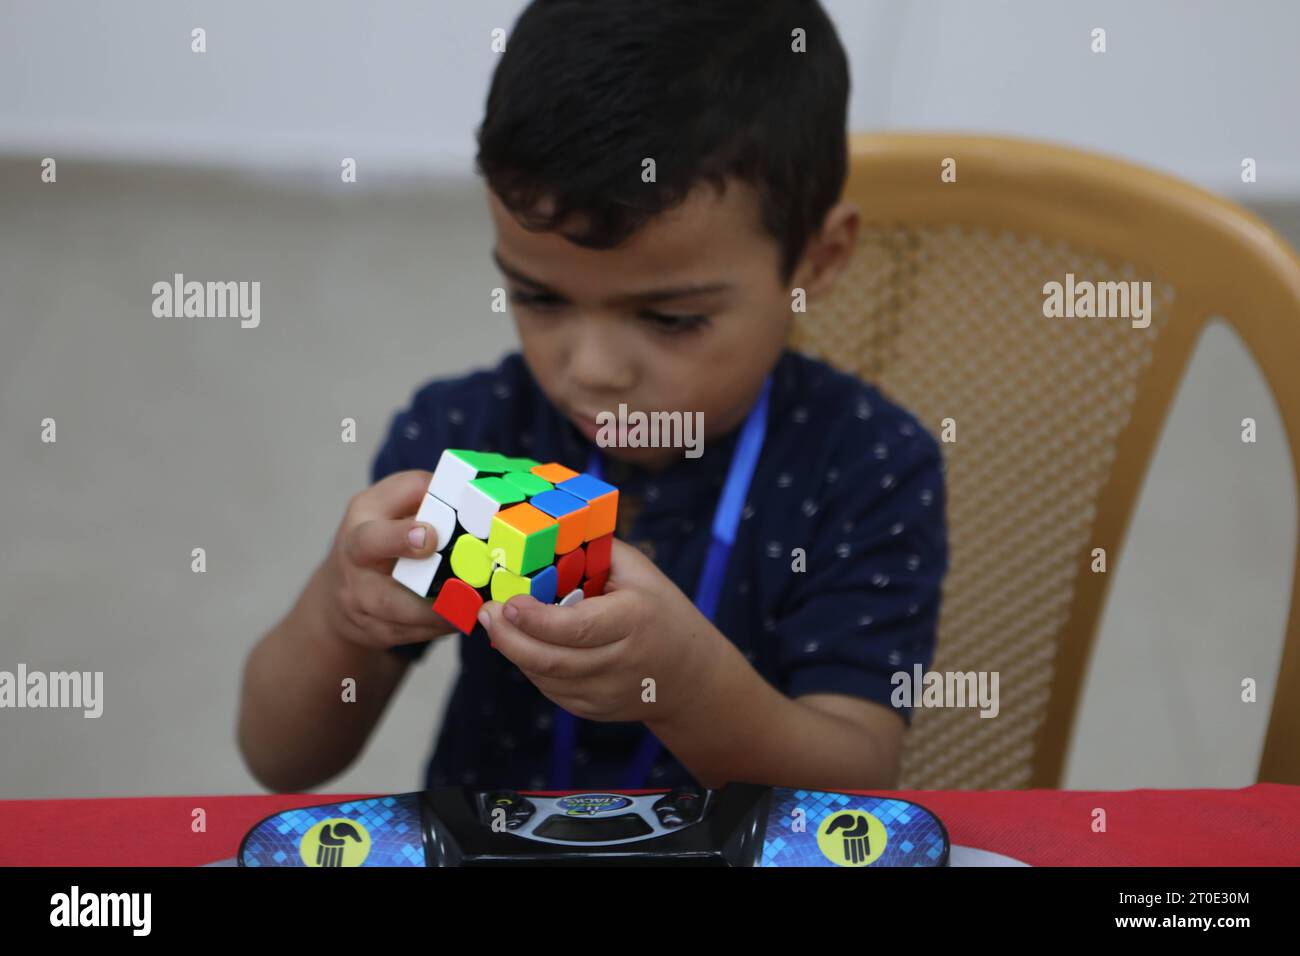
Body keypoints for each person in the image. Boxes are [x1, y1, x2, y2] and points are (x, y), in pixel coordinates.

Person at [238, 0, 948, 795]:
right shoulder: (467, 434)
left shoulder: (866, 464)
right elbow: (280, 758)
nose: (595, 369)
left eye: (671, 318)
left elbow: (860, 784)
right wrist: (342, 617)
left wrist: (687, 685)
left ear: (819, 259)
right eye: (540, 299)